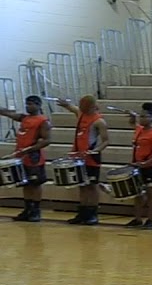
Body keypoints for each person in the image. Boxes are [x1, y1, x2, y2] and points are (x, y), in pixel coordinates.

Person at [57, 96, 110, 225]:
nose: (81, 109)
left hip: (92, 157)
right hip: (79, 157)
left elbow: (106, 141)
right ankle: (83, 213)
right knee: (82, 185)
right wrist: (65, 104)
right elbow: (72, 108)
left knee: (92, 186)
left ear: (92, 107)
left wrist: (95, 150)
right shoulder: (81, 114)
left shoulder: (99, 121)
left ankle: (93, 214)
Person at [1, 96, 51, 222]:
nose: (28, 106)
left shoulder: (44, 121)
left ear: (38, 105)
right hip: (21, 156)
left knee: (35, 184)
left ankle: (36, 210)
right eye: (27, 104)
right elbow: (7, 113)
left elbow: (47, 140)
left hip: (34, 157)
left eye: (30, 104)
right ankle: (28, 209)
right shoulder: (24, 118)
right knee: (25, 183)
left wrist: (29, 150)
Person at [126, 103, 152, 229]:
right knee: (137, 193)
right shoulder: (139, 130)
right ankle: (137, 219)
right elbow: (132, 123)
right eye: (140, 116)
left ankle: (150, 219)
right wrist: (132, 116)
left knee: (151, 193)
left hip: (150, 167)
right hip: (138, 166)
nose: (141, 119)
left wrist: (146, 163)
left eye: (144, 116)